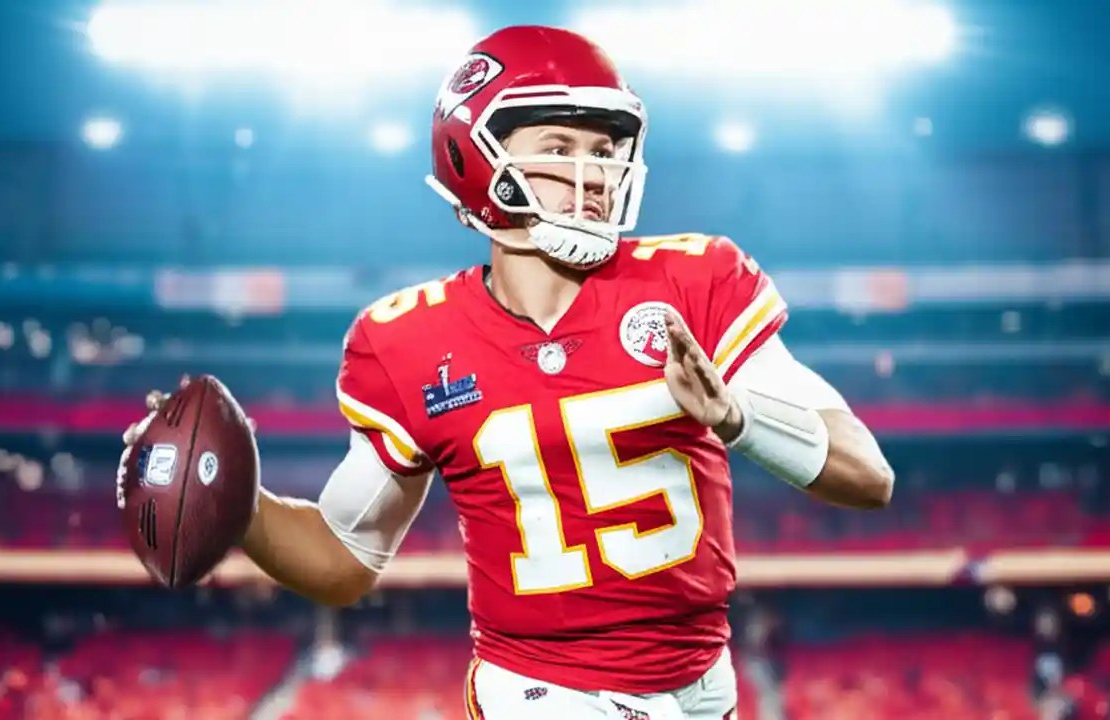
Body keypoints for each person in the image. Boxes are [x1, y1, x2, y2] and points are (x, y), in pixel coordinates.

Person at [119, 25, 894, 720]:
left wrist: (739, 420)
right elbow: (345, 559)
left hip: (702, 686)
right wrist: (233, 503)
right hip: (542, 691)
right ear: (475, 156)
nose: (593, 175)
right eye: (559, 148)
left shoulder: (697, 280)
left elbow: (869, 475)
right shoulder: (408, 340)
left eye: (604, 151)